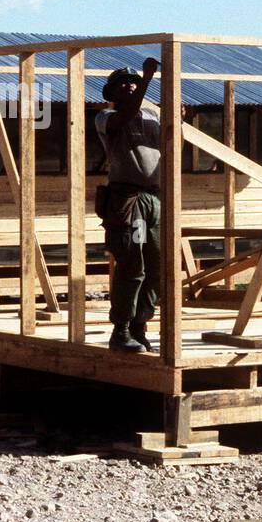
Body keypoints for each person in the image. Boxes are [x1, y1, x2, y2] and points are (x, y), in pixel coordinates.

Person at [94, 59, 162, 352]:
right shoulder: (106, 117)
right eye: (123, 83)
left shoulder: (150, 117)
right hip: (127, 200)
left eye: (134, 81)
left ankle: (140, 327)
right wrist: (148, 78)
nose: (130, 85)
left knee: (156, 267)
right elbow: (128, 113)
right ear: (112, 92)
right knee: (132, 265)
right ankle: (120, 331)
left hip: (153, 200)